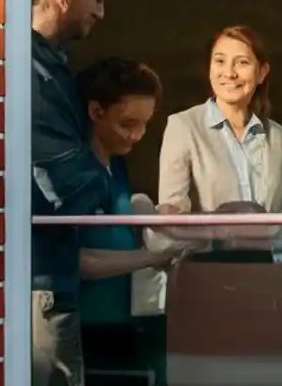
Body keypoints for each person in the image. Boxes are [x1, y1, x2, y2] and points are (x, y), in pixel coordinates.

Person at [31, 0, 117, 386]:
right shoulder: (31, 75)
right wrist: (103, 167)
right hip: (42, 287)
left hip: (51, 285)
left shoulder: (53, 68)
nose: (102, 11)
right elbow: (67, 191)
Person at [74, 57, 185, 386]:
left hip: (125, 323)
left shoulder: (117, 165)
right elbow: (81, 259)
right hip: (87, 328)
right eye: (128, 124)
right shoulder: (76, 174)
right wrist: (155, 257)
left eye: (144, 125)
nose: (137, 136)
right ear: (96, 112)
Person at [157, 25, 282, 217]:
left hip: (267, 239)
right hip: (206, 239)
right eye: (220, 61)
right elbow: (171, 216)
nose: (229, 73)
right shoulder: (183, 126)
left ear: (262, 72)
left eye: (242, 62)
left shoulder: (277, 136)